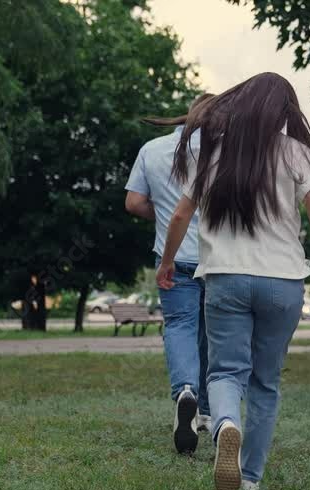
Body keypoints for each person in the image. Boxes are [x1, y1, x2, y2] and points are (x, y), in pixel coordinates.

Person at [156, 73, 310, 490]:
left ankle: (225, 424)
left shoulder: (216, 154)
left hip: (226, 279)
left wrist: (168, 262)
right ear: (284, 113)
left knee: (224, 371)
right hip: (283, 282)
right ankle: (251, 480)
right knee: (266, 382)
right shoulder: (298, 153)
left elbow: (181, 216)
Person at [125, 93, 214, 455]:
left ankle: (186, 392)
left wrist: (163, 214)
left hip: (174, 257)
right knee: (212, 332)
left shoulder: (153, 148)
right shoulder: (226, 154)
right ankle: (206, 410)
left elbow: (133, 203)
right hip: (219, 258)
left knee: (179, 326)